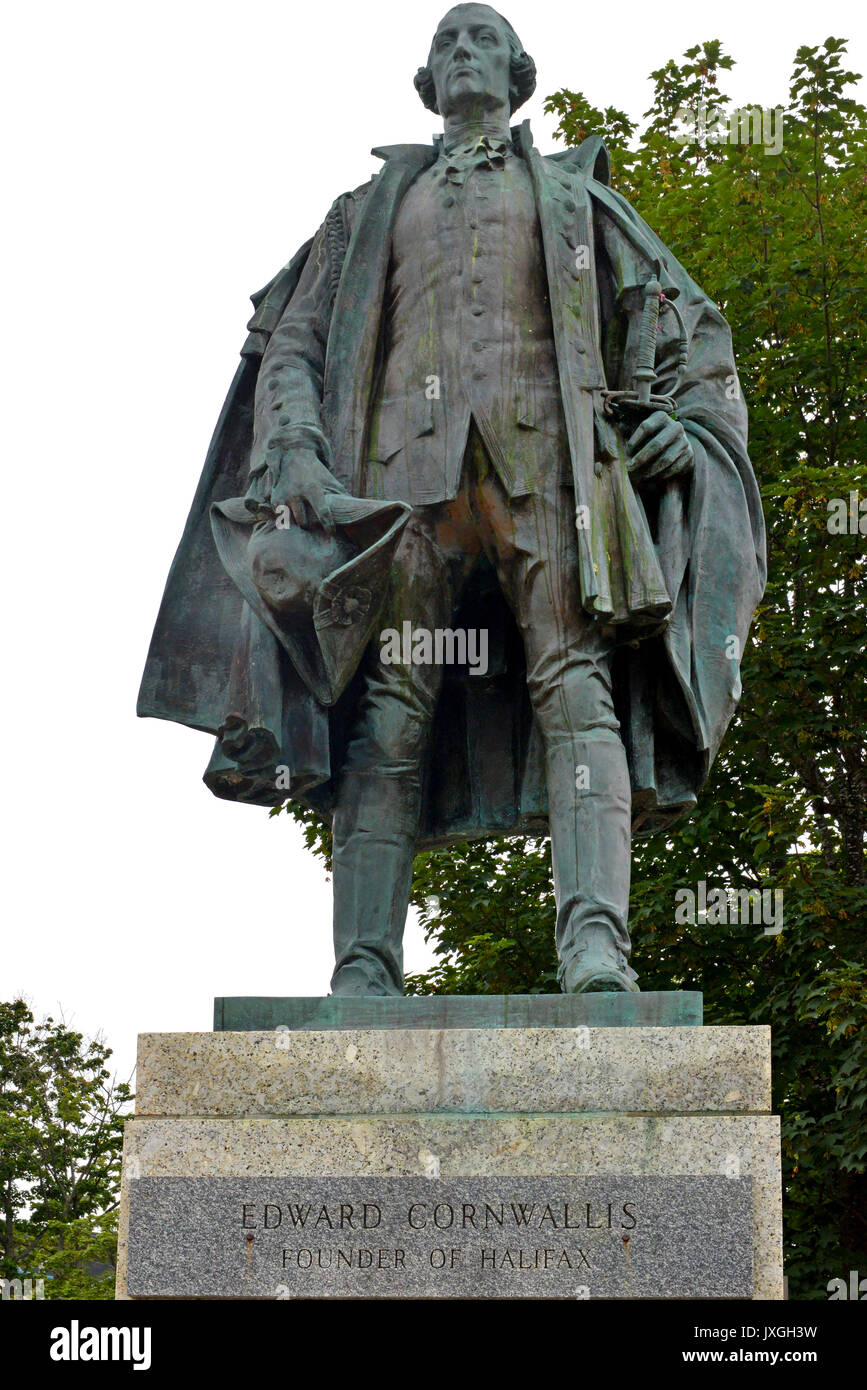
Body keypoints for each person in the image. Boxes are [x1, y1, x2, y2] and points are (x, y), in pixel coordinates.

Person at [139, 5, 766, 998]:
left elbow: (687, 336)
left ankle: (595, 948)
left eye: (483, 38)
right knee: (392, 713)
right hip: (397, 494)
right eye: (447, 41)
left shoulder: (576, 197)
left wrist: (679, 432)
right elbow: (291, 349)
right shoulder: (363, 212)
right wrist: (294, 447)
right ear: (426, 82)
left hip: (549, 481)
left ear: (519, 75)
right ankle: (364, 964)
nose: (464, 50)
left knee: (578, 689)